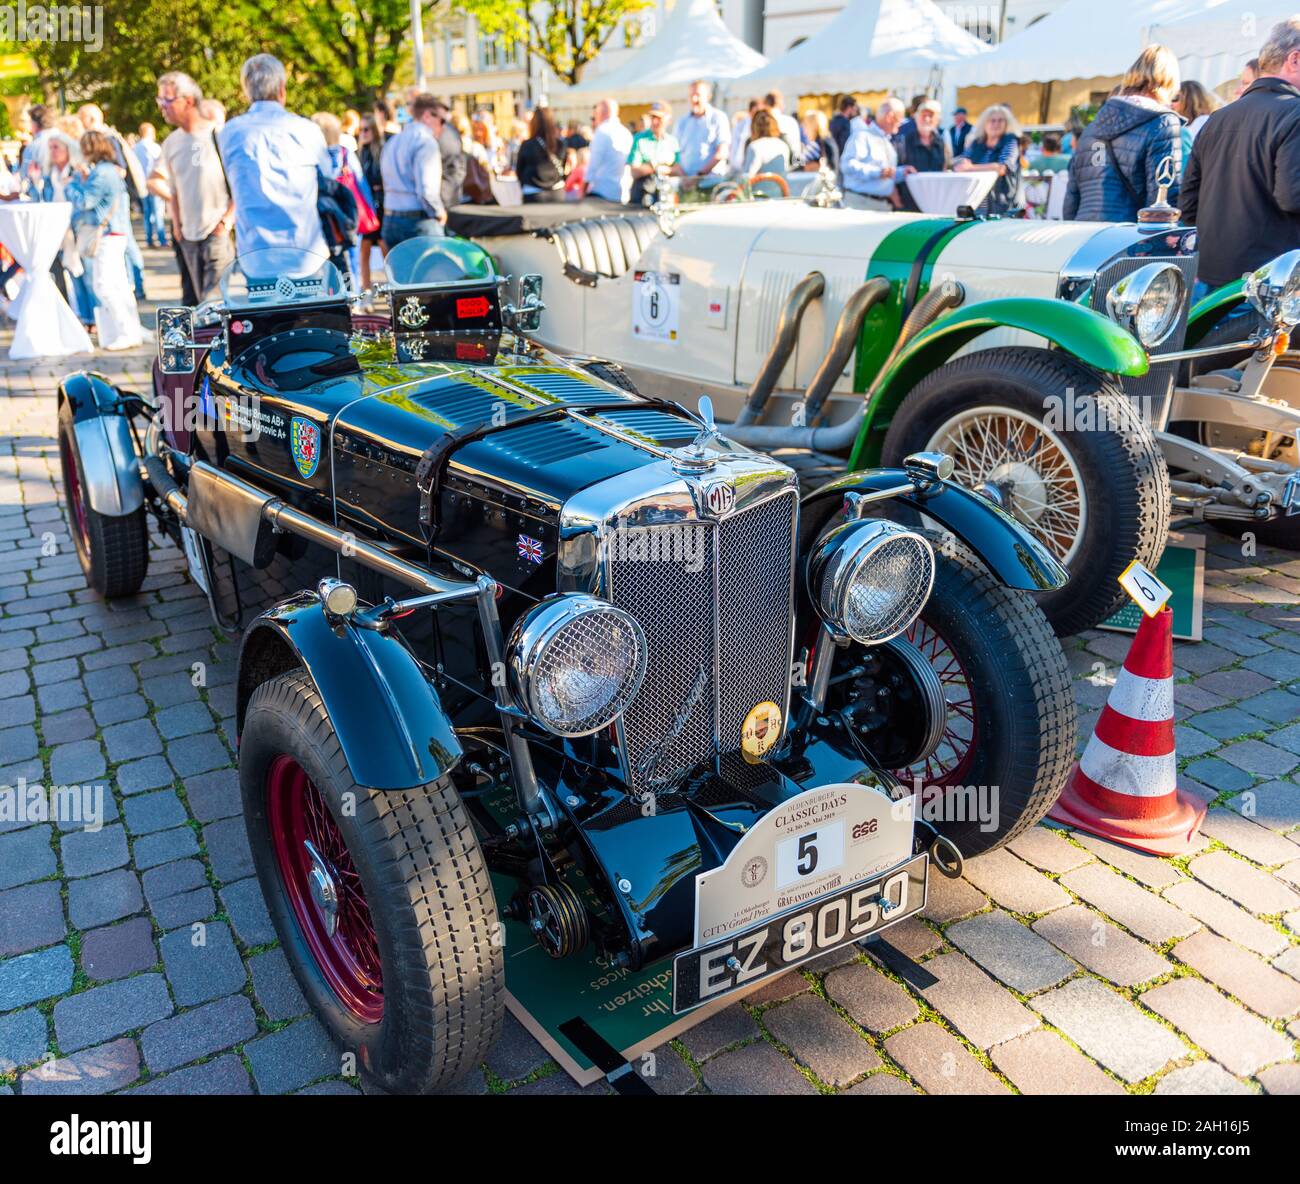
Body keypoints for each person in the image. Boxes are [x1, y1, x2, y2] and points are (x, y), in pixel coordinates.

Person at [1181, 19, 1300, 289]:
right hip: (1271, 282)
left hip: (1211, 278)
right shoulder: (1295, 113)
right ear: (1294, 59)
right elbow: (1293, 197)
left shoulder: (1217, 118)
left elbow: (1188, 201)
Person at [219, 53, 333, 259]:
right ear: (282, 89)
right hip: (305, 250)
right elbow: (328, 175)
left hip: (255, 252)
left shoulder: (230, 132)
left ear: (246, 91)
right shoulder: (307, 130)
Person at [1064, 46, 1181, 222]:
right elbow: (1163, 196)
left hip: (1085, 232)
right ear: (1170, 81)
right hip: (1129, 237)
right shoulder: (1162, 122)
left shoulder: (1090, 129)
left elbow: (1072, 195)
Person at [152, 71, 235, 303]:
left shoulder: (218, 135)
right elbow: (174, 189)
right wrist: (177, 227)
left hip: (215, 232)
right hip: (188, 236)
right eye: (160, 101)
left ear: (188, 100)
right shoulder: (171, 142)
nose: (162, 107)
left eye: (167, 100)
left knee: (214, 305)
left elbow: (239, 185)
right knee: (199, 305)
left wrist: (226, 222)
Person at [69, 130, 144, 350]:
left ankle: (125, 331)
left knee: (104, 286)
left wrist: (72, 184)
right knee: (118, 284)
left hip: (106, 233)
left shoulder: (101, 172)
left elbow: (85, 201)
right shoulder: (108, 170)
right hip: (115, 231)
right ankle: (131, 330)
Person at [78, 103, 147, 301]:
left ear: (90, 119)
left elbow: (120, 169)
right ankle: (132, 283)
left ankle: (137, 283)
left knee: (124, 239)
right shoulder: (104, 137)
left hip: (113, 198)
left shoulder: (104, 138)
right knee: (122, 241)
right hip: (111, 195)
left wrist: (92, 179)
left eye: (82, 118)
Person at [379, 93, 446, 245]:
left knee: (401, 269)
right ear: (427, 116)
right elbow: (426, 189)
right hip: (417, 221)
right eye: (441, 120)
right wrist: (439, 211)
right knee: (434, 268)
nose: (442, 126)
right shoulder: (425, 141)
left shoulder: (393, 141)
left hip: (390, 220)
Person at [954, 104, 1024, 215]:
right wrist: (960, 163)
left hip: (1001, 204)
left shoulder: (1010, 141)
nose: (996, 124)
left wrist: (970, 167)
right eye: (992, 120)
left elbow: (1002, 168)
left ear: (1006, 124)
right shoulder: (977, 142)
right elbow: (961, 161)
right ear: (984, 124)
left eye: (1000, 121)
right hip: (975, 203)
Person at [840, 96, 905, 211]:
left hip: (880, 204)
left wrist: (903, 172)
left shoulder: (886, 140)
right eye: (900, 118)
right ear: (890, 117)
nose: (900, 123)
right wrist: (879, 172)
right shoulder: (862, 136)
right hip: (861, 205)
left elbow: (887, 173)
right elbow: (847, 165)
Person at [673, 80, 731, 181]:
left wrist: (699, 176)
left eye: (698, 95)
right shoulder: (681, 122)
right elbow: (674, 153)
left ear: (708, 96)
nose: (694, 99)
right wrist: (685, 179)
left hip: (711, 181)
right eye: (691, 95)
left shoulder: (718, 118)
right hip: (685, 182)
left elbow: (722, 152)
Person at [628, 100, 680, 205]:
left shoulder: (672, 141)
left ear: (668, 119)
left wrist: (655, 167)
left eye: (659, 118)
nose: (655, 122)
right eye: (652, 118)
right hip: (643, 193)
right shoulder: (639, 139)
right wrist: (657, 164)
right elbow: (635, 171)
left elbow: (678, 170)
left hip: (665, 192)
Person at [357, 112, 386, 289]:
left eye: (366, 129)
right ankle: (366, 291)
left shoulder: (382, 151)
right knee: (364, 248)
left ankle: (393, 289)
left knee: (384, 246)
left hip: (381, 204)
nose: (363, 133)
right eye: (360, 129)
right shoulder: (359, 153)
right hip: (366, 206)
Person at [515, 106, 566, 203]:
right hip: (557, 192)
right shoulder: (561, 144)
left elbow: (519, 170)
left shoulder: (527, 145)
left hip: (533, 194)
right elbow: (563, 167)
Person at [585, 98, 631, 203]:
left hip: (600, 193)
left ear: (600, 113)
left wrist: (583, 190)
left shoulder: (602, 131)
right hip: (620, 193)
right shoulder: (626, 132)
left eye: (595, 114)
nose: (594, 118)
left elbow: (593, 166)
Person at [133, 123, 167, 248]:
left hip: (141, 184)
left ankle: (149, 239)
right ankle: (162, 239)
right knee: (158, 212)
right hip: (154, 183)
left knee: (147, 214)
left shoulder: (135, 148)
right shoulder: (154, 147)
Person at [1172, 79, 1220, 159]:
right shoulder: (1189, 123)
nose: (1171, 103)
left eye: (1175, 98)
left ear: (1189, 100)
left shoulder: (1203, 121)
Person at [431, 100, 466, 210]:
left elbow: (453, 167)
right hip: (446, 196)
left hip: (445, 197)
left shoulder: (447, 134)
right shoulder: (448, 132)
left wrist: (442, 198)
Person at [739, 108, 792, 178]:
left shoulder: (754, 146)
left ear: (754, 127)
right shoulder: (783, 145)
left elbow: (747, 176)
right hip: (781, 187)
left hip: (758, 188)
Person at [763, 90, 803, 162]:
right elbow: (796, 148)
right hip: (787, 166)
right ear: (779, 103)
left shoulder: (760, 121)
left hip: (765, 165)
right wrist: (798, 167)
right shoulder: (790, 121)